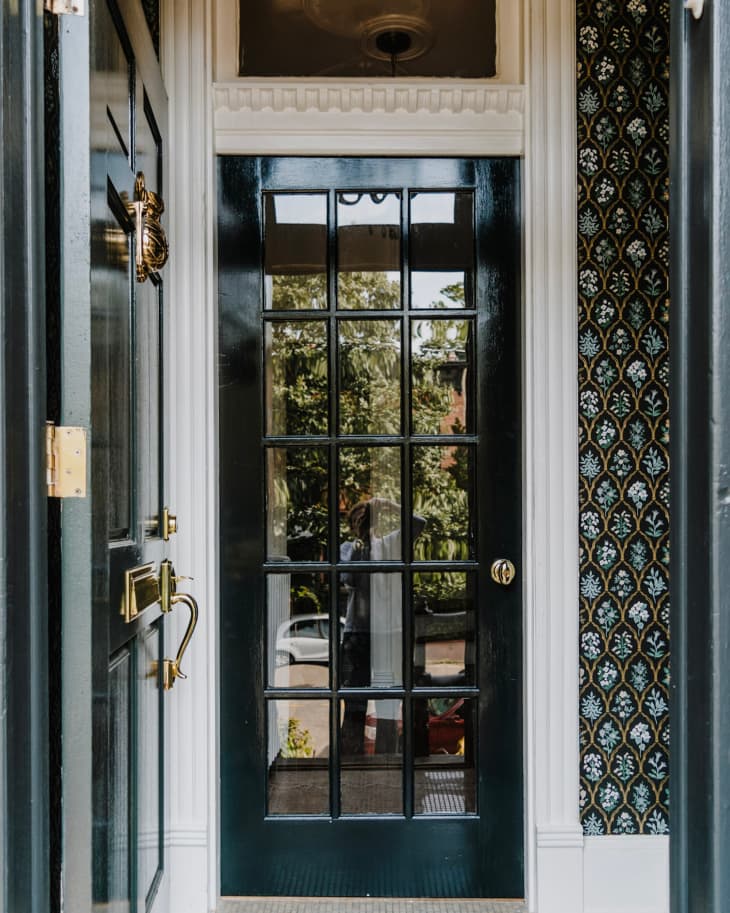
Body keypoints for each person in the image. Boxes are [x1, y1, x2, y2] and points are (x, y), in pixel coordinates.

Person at [340, 498, 425, 755]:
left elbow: (418, 523)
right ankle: (351, 759)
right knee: (355, 701)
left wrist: (389, 505)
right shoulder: (348, 548)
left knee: (388, 702)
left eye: (366, 519)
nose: (363, 524)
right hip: (359, 633)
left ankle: (387, 756)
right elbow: (349, 578)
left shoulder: (391, 543)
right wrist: (360, 545)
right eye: (358, 520)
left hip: (389, 631)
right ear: (352, 526)